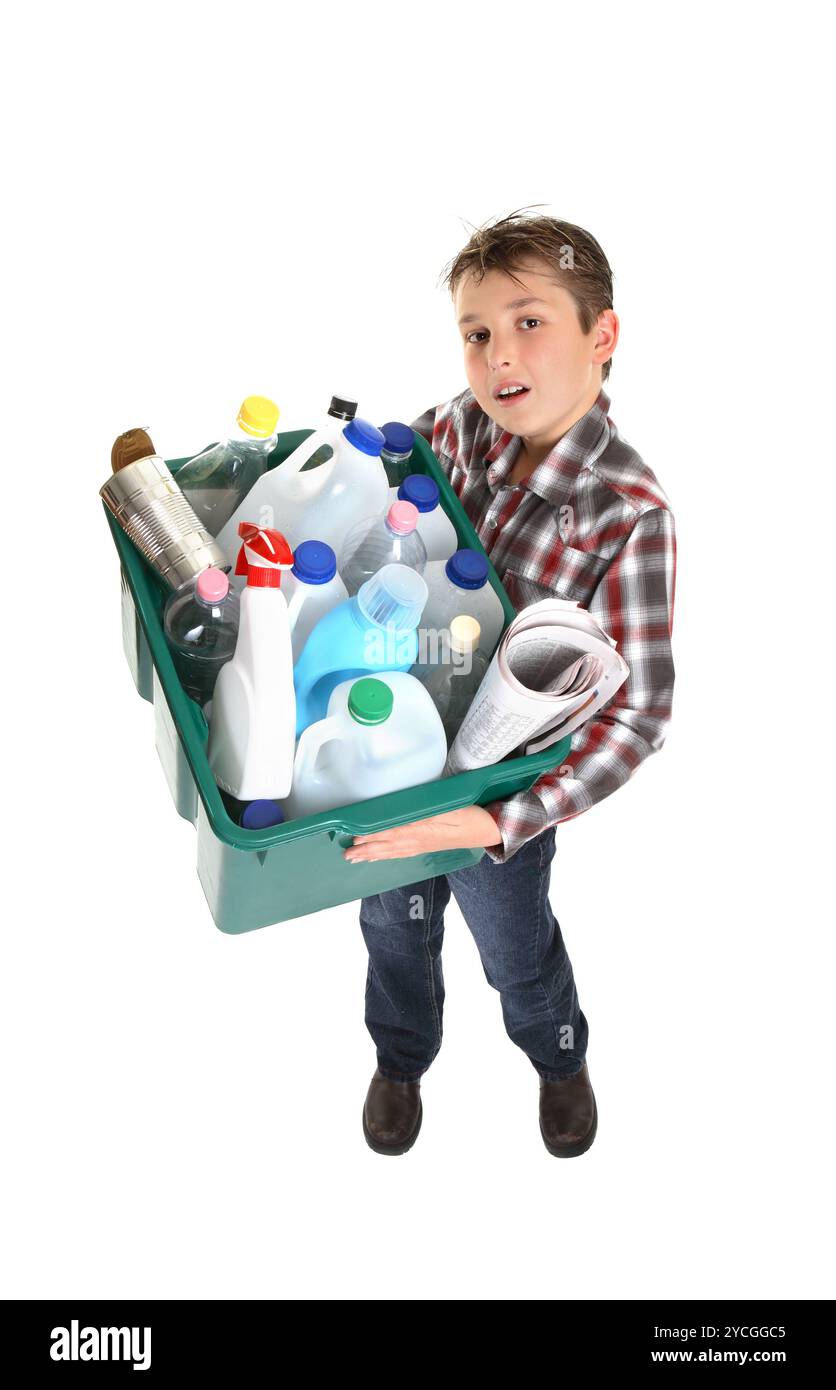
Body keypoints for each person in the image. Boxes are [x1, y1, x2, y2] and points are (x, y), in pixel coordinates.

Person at [346, 210, 676, 1157]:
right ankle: (402, 1058)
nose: (499, 356)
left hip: (501, 797)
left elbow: (642, 712)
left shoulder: (629, 513)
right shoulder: (466, 427)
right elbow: (393, 455)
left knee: (517, 955)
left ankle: (557, 1056)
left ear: (600, 336)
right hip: (396, 746)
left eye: (529, 322)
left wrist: (498, 823)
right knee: (394, 932)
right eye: (478, 332)